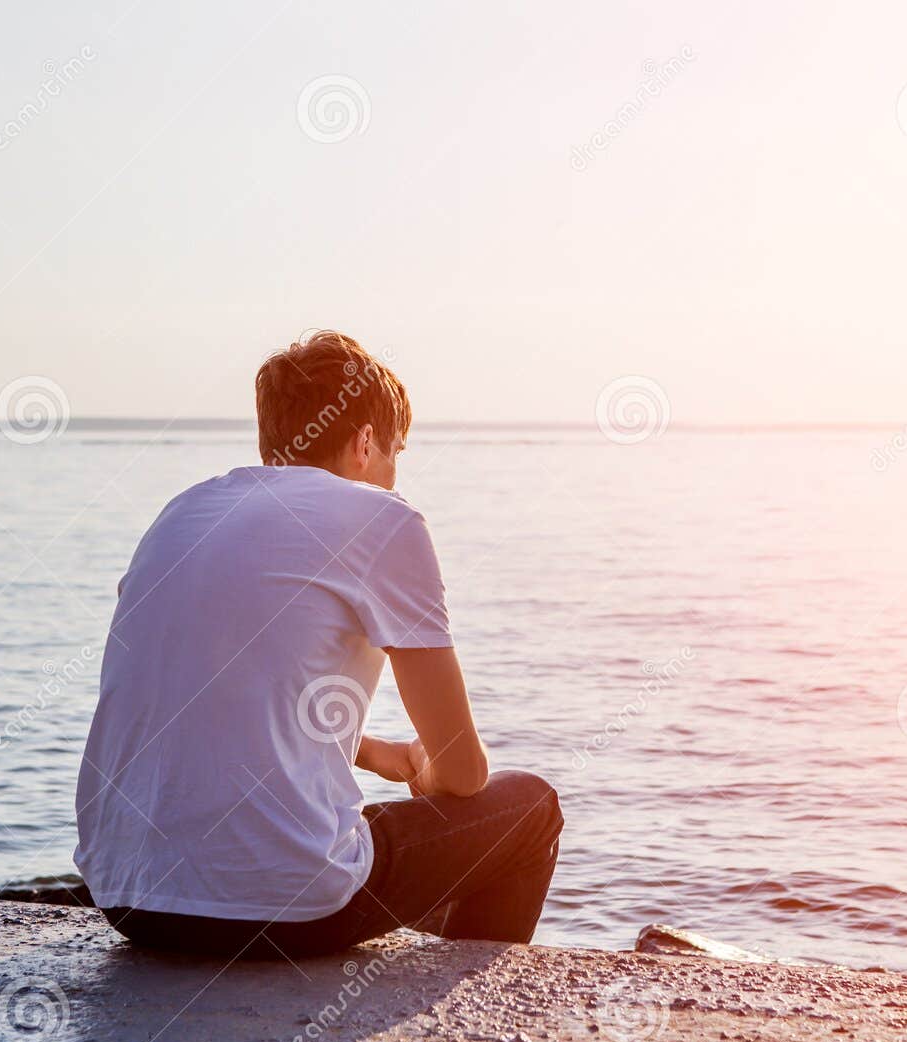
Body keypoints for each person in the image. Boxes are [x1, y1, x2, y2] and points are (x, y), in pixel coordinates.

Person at [73, 331, 562, 960]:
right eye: (396, 452)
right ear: (365, 443)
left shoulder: (184, 513)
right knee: (528, 808)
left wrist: (376, 753)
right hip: (282, 911)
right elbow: (465, 775)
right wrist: (426, 766)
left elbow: (222, 691)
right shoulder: (383, 519)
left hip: (128, 899)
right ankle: (454, 1004)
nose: (392, 473)